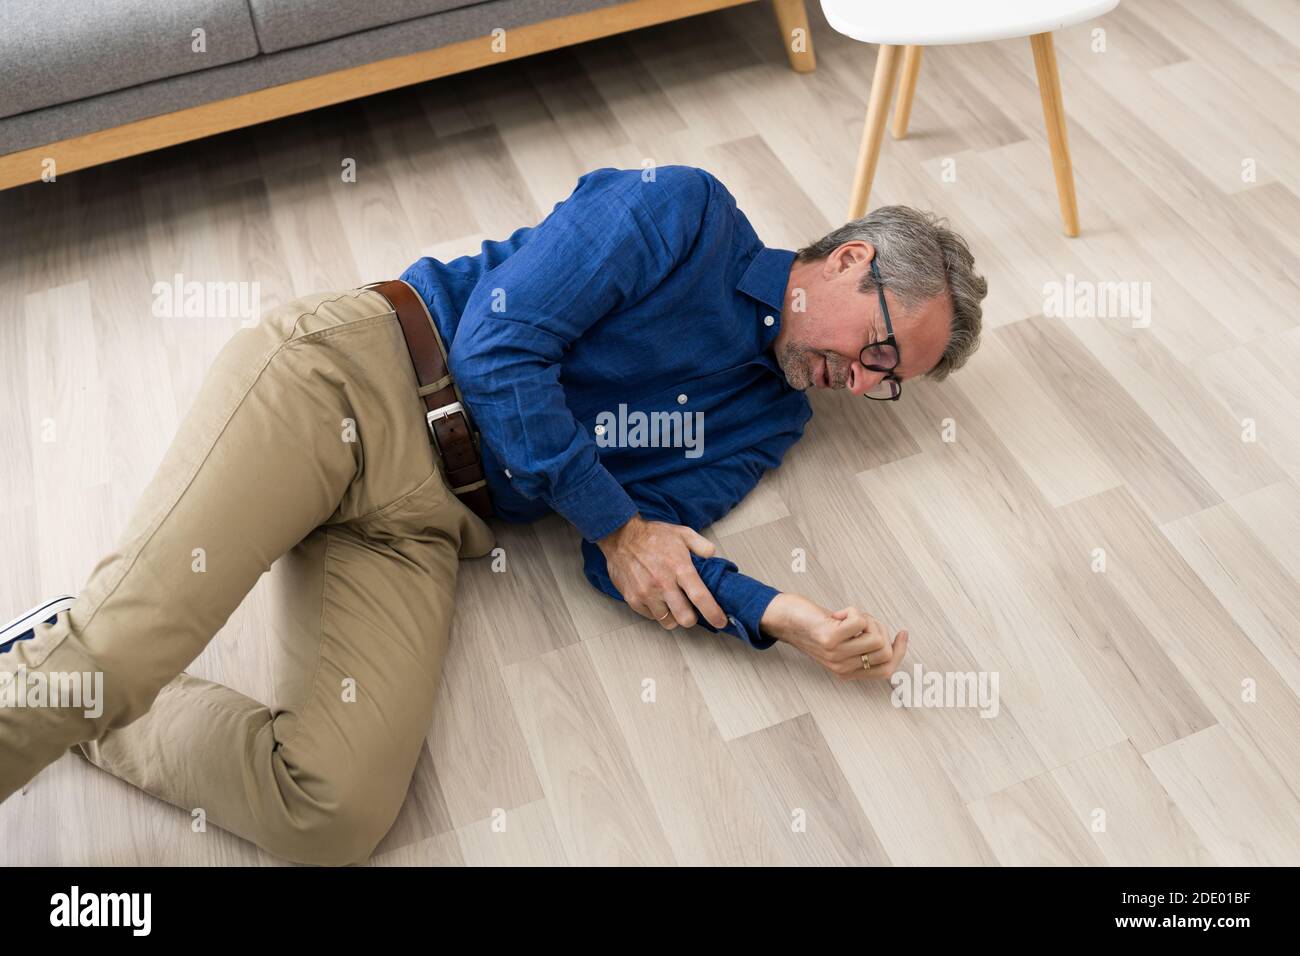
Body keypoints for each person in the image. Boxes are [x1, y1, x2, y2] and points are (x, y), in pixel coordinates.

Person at [0, 164, 987, 864]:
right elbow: (497, 350)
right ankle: (87, 670)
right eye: (880, 350)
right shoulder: (681, 213)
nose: (861, 383)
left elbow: (634, 556)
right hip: (355, 380)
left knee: (332, 812)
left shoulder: (768, 420)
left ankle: (65, 674)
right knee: (122, 650)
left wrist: (782, 617)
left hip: (426, 522)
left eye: (887, 384)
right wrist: (613, 519)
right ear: (850, 258)